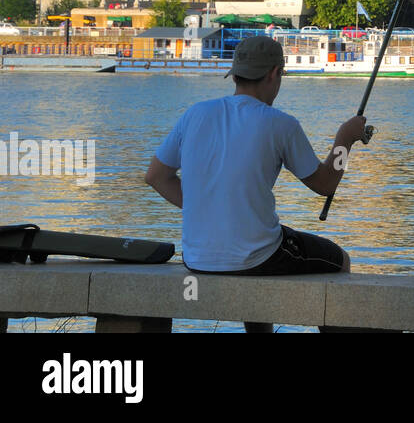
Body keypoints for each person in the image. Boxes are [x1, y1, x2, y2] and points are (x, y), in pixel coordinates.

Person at [145, 36, 367, 289]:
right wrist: (345, 140)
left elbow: (156, 176)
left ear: (236, 74)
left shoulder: (195, 113)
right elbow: (326, 184)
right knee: (341, 261)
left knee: (266, 240)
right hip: (258, 258)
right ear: (274, 73)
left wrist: (208, 205)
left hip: (196, 259)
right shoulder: (281, 123)